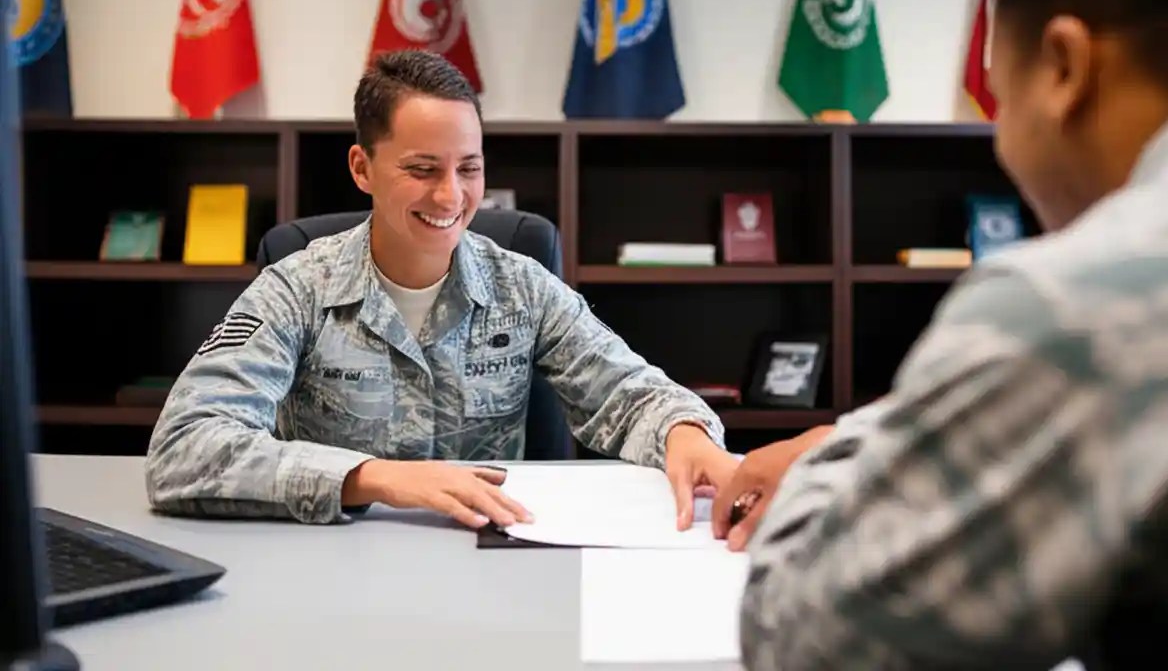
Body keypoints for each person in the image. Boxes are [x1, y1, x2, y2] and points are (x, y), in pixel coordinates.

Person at [717, 0, 1168, 668]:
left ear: (1062, 66)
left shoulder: (1075, 297)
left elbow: (805, 639)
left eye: (1001, 99)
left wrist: (832, 463)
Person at [145, 50, 737, 530]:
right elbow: (183, 450)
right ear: (362, 168)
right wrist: (375, 478)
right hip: (334, 567)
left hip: (490, 561)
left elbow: (632, 393)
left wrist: (687, 435)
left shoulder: (523, 287)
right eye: (422, 170)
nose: (451, 197)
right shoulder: (297, 289)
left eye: (469, 169)